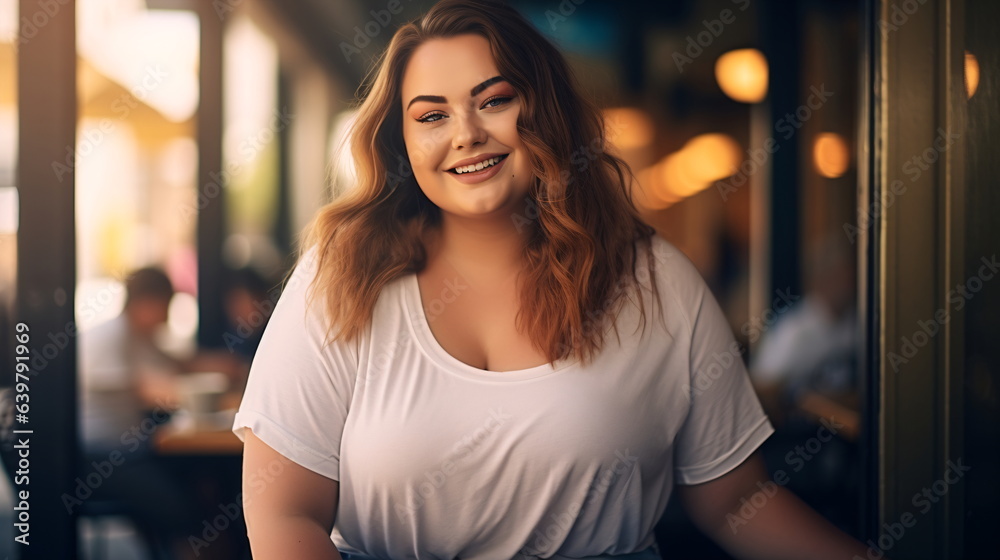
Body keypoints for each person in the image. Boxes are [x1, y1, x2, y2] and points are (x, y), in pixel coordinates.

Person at [232, 1, 872, 558]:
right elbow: (283, 509)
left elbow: (733, 498)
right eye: (432, 116)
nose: (467, 134)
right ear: (400, 141)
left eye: (494, 100)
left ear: (544, 112)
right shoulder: (342, 275)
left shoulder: (654, 280)